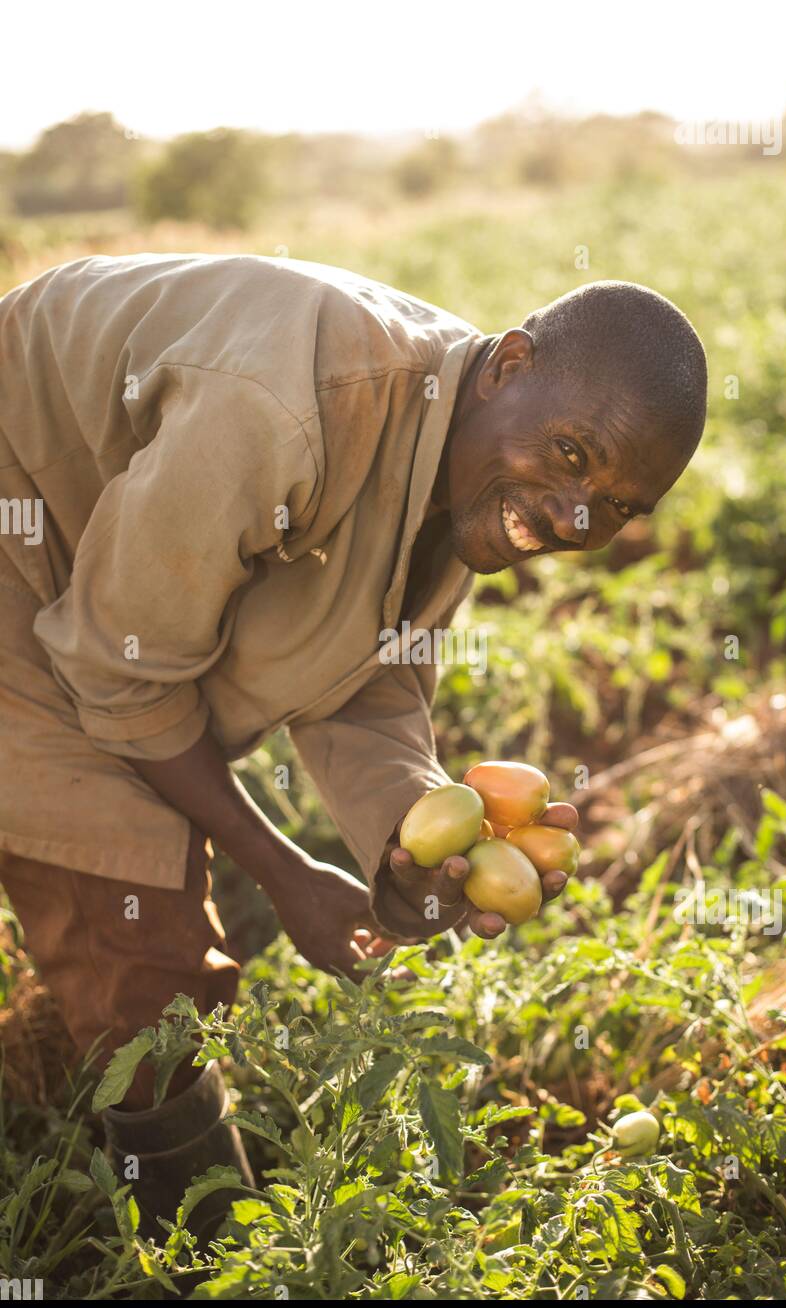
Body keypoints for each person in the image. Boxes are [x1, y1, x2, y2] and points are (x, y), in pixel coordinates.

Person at [0, 254, 707, 1232]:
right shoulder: (290, 407)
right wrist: (284, 872)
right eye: (575, 457)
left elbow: (364, 676)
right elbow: (118, 672)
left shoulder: (462, 459)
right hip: (17, 527)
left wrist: (406, 844)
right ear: (507, 366)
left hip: (104, 562)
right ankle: (193, 1265)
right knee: (141, 948)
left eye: (618, 506)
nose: (571, 516)